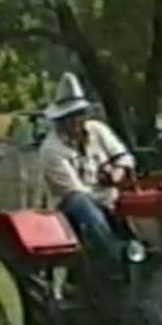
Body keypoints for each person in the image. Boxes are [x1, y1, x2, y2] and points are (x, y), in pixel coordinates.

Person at [37, 72, 135, 265]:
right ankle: (114, 258)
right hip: (73, 207)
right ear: (58, 120)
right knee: (81, 203)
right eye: (68, 117)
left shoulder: (98, 130)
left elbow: (124, 157)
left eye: (78, 115)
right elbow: (75, 191)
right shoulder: (51, 150)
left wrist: (118, 171)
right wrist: (107, 192)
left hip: (110, 195)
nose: (74, 122)